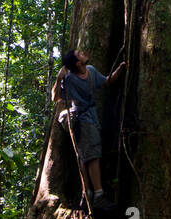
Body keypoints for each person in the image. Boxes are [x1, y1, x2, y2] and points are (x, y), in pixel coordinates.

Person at [53, 47, 125, 210]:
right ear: (78, 63)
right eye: (80, 54)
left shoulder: (91, 71)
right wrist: (59, 79)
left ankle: (89, 194)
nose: (84, 53)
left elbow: (107, 81)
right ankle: (97, 195)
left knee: (87, 155)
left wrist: (120, 70)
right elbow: (55, 98)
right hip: (81, 119)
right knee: (92, 155)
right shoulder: (70, 79)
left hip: (91, 117)